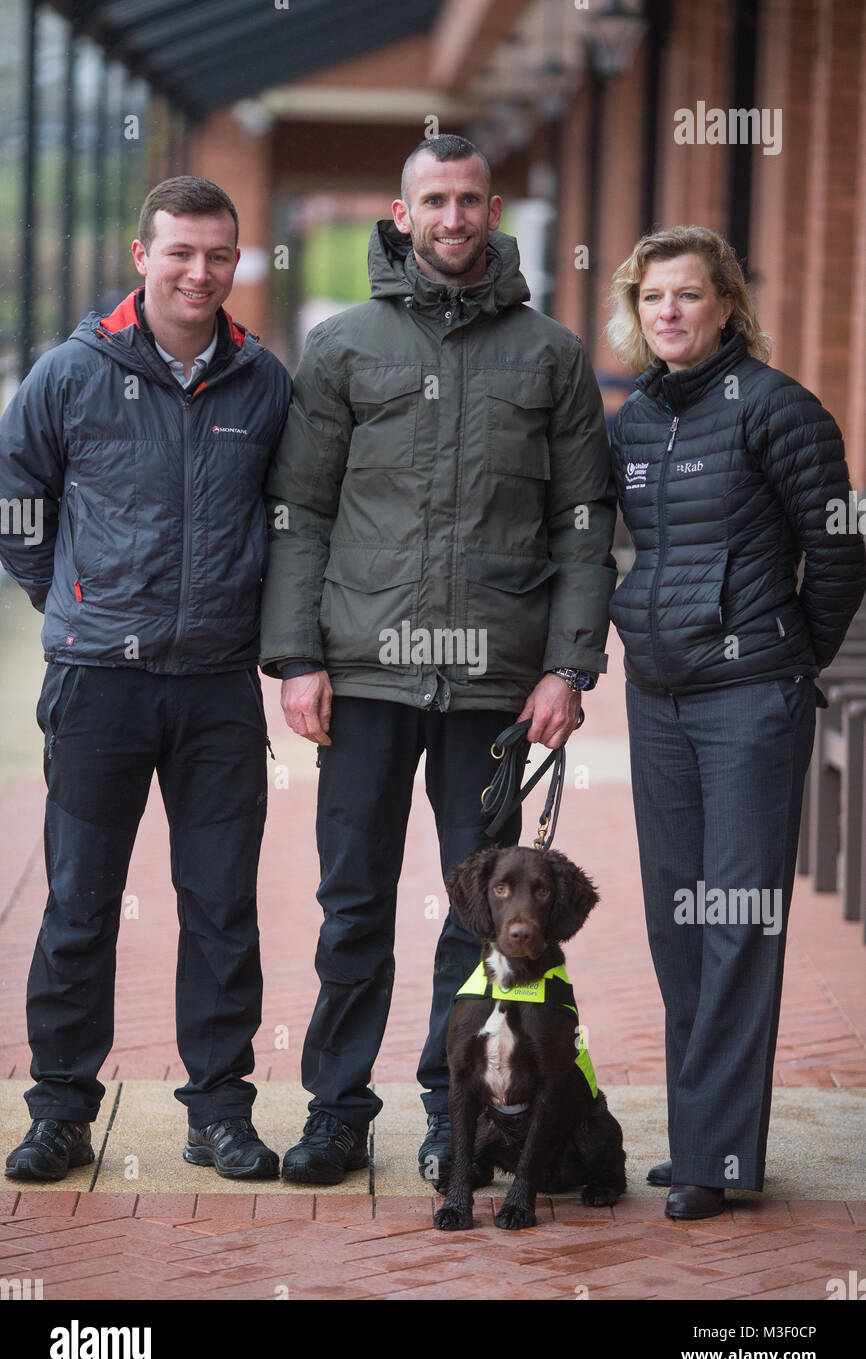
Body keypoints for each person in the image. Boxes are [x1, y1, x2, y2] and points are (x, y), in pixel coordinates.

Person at [260, 134, 616, 1185]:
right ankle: (335, 1109)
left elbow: (583, 524)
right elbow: (301, 513)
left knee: (485, 917)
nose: (452, 218)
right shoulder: (341, 346)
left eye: (468, 200)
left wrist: (567, 666)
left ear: (490, 208)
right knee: (354, 901)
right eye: (434, 201)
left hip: (495, 687)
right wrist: (293, 657)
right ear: (401, 211)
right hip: (363, 676)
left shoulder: (548, 353)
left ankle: (445, 1105)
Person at [0, 176, 291, 1182]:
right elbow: (16, 492)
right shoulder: (72, 372)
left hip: (215, 686)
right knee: (80, 901)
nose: (199, 272)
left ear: (236, 261)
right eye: (180, 252)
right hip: (97, 685)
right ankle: (61, 1111)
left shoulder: (262, 382)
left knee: (220, 905)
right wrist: (66, 597)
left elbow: (292, 518)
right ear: (141, 256)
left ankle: (219, 1112)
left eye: (219, 255)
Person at [606, 226, 866, 1219]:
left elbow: (838, 544)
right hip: (657, 698)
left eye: (686, 295)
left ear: (723, 307)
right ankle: (696, 1138)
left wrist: (789, 651)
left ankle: (717, 1154)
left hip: (749, 700)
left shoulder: (777, 408)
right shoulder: (630, 424)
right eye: (651, 298)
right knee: (677, 916)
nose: (667, 312)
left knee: (734, 919)